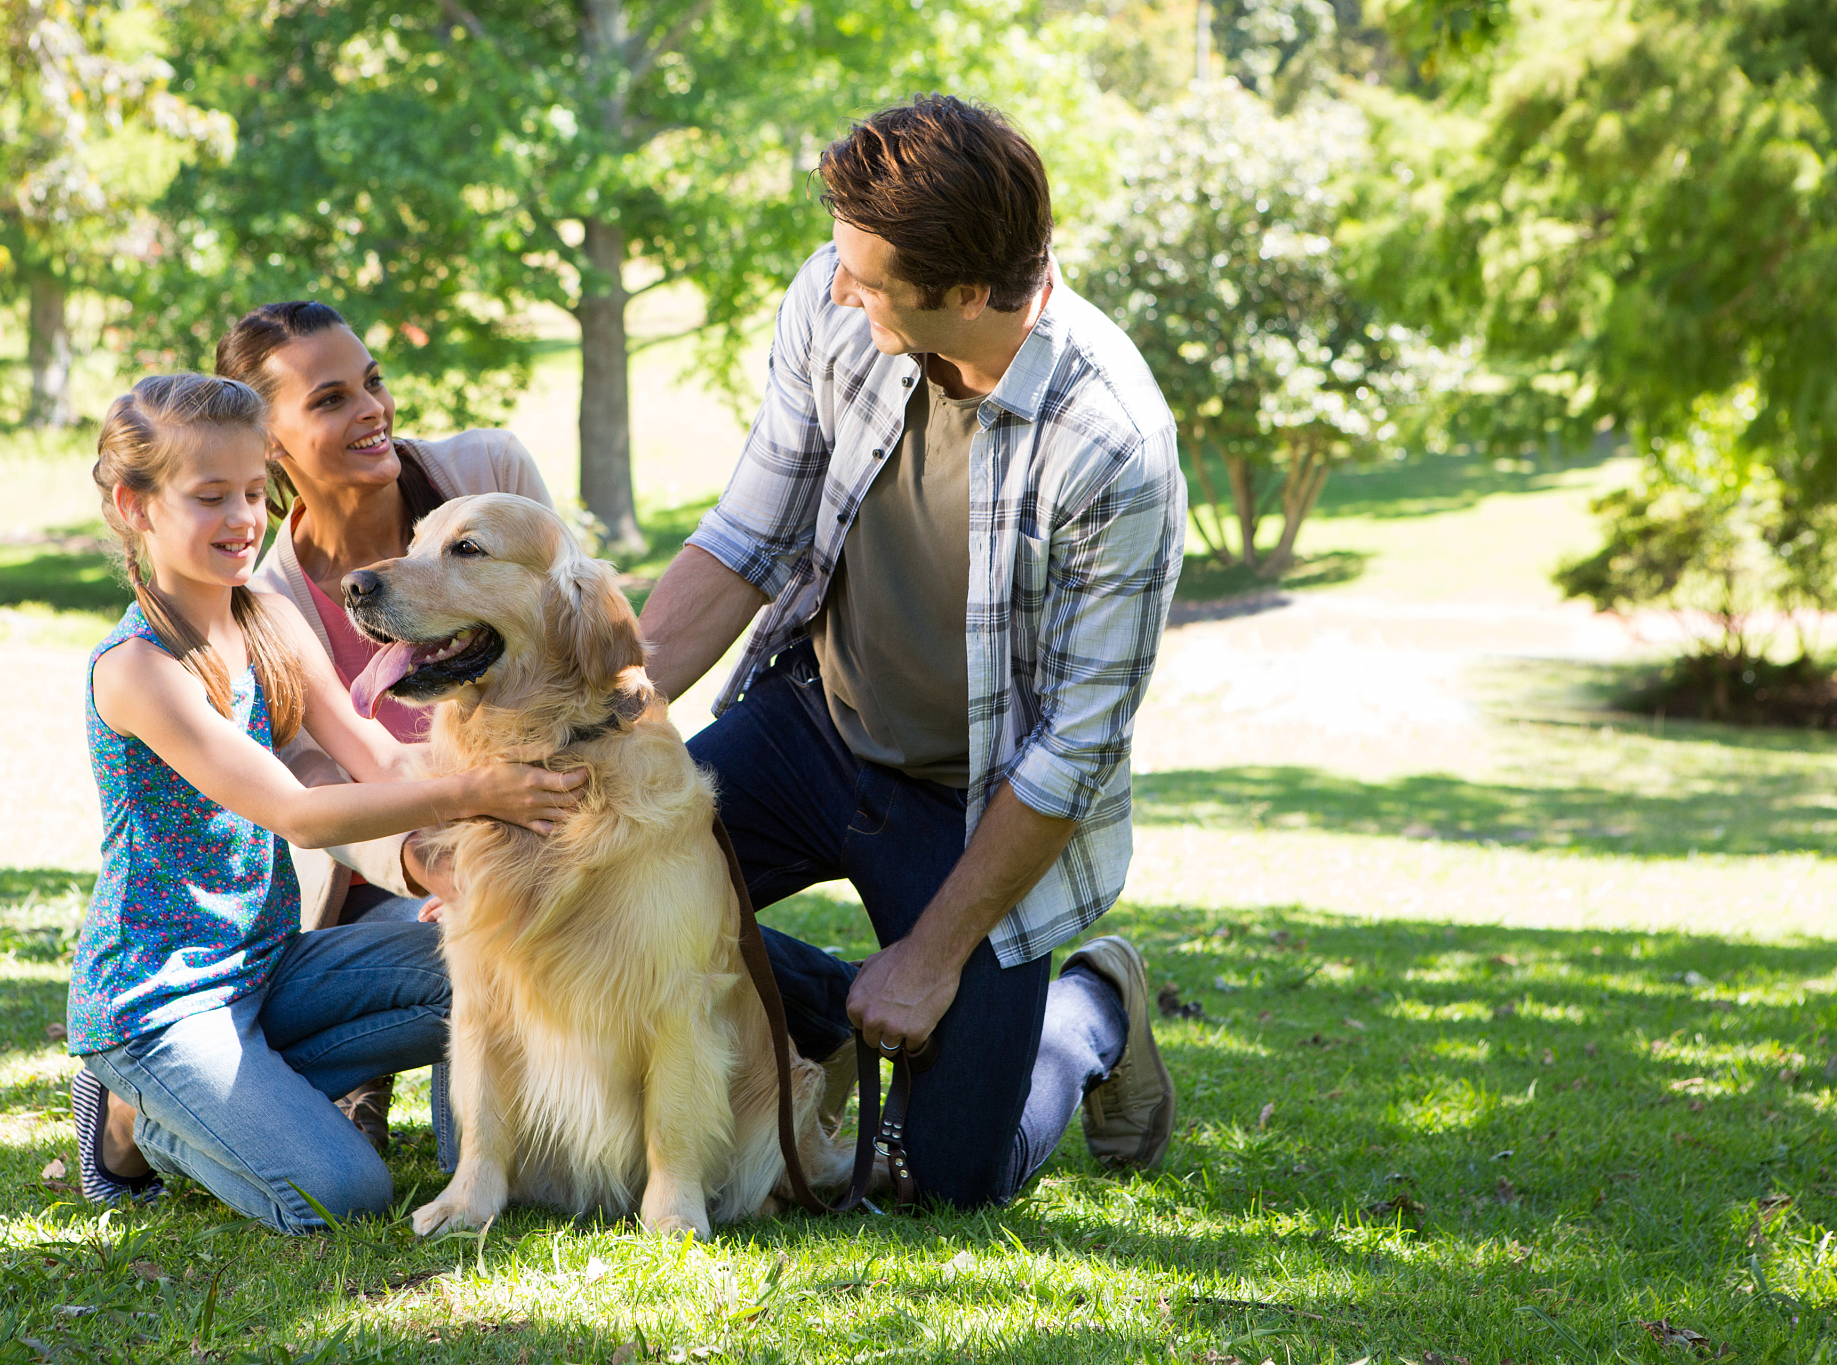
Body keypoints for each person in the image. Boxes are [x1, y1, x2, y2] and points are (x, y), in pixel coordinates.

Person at [638, 95, 1188, 1207]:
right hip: (812, 727)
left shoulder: (1114, 448)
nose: (836, 287)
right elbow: (748, 538)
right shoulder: (833, 301)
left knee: (943, 1179)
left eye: (867, 277)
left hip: (973, 800)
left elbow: (1073, 753)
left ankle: (1086, 1002)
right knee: (619, 874)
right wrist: (592, 732)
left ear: (972, 292)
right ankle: (851, 998)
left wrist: (934, 958)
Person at [68, 373, 583, 1232]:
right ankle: (139, 1118)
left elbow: (377, 753)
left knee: (494, 977)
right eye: (208, 498)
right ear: (135, 505)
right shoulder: (138, 670)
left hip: (268, 966)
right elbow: (298, 814)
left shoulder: (268, 616)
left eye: (250, 492)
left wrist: (531, 755)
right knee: (343, 1196)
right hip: (159, 998)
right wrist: (478, 791)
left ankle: (234, 1093)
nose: (241, 519)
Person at [216, 301, 554, 1148]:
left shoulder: (490, 471)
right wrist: (431, 865)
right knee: (471, 1122)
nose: (372, 410)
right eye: (330, 399)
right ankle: (347, 1071)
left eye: (372, 383)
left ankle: (823, 1021)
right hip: (388, 883)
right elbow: (316, 784)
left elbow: (563, 646)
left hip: (540, 829)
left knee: (498, 1150)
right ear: (269, 445)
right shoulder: (268, 603)